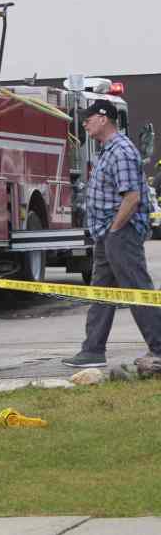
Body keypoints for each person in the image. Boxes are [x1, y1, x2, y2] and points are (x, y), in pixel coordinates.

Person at [63, 100, 161, 368]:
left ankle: (160, 348)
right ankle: (92, 350)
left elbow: (132, 197)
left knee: (137, 290)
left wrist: (116, 230)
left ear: (104, 118)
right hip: (107, 235)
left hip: (120, 233)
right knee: (101, 293)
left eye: (88, 117)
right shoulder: (108, 151)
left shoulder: (121, 151)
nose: (84, 122)